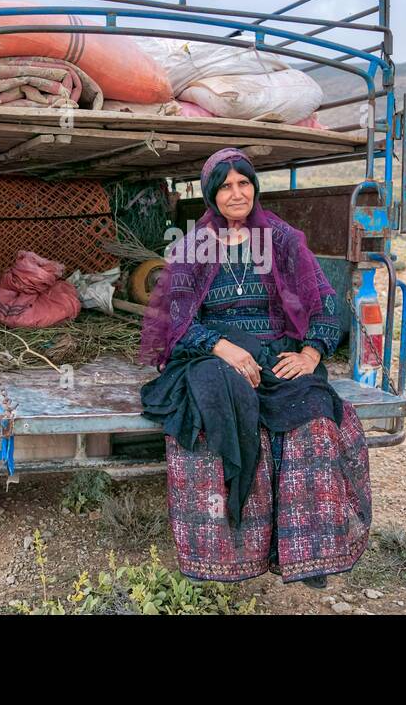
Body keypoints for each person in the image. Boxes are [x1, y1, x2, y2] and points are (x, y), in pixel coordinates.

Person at [139, 147, 371, 588]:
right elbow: (177, 320)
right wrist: (221, 347)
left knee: (314, 418)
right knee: (218, 411)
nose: (236, 193)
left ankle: (310, 554)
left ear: (254, 187)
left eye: (243, 183)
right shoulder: (193, 247)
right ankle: (230, 553)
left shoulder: (283, 240)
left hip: (275, 353)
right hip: (215, 355)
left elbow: (324, 303)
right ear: (211, 195)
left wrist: (311, 355)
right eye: (225, 186)